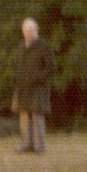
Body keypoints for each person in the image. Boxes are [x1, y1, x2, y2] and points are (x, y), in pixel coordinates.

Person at [12, 18, 55, 154]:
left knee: (37, 116)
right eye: (25, 30)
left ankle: (39, 147)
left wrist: (37, 78)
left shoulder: (45, 47)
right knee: (24, 115)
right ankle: (26, 145)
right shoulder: (21, 47)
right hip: (23, 87)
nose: (28, 33)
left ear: (37, 30)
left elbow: (51, 68)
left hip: (38, 88)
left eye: (31, 30)